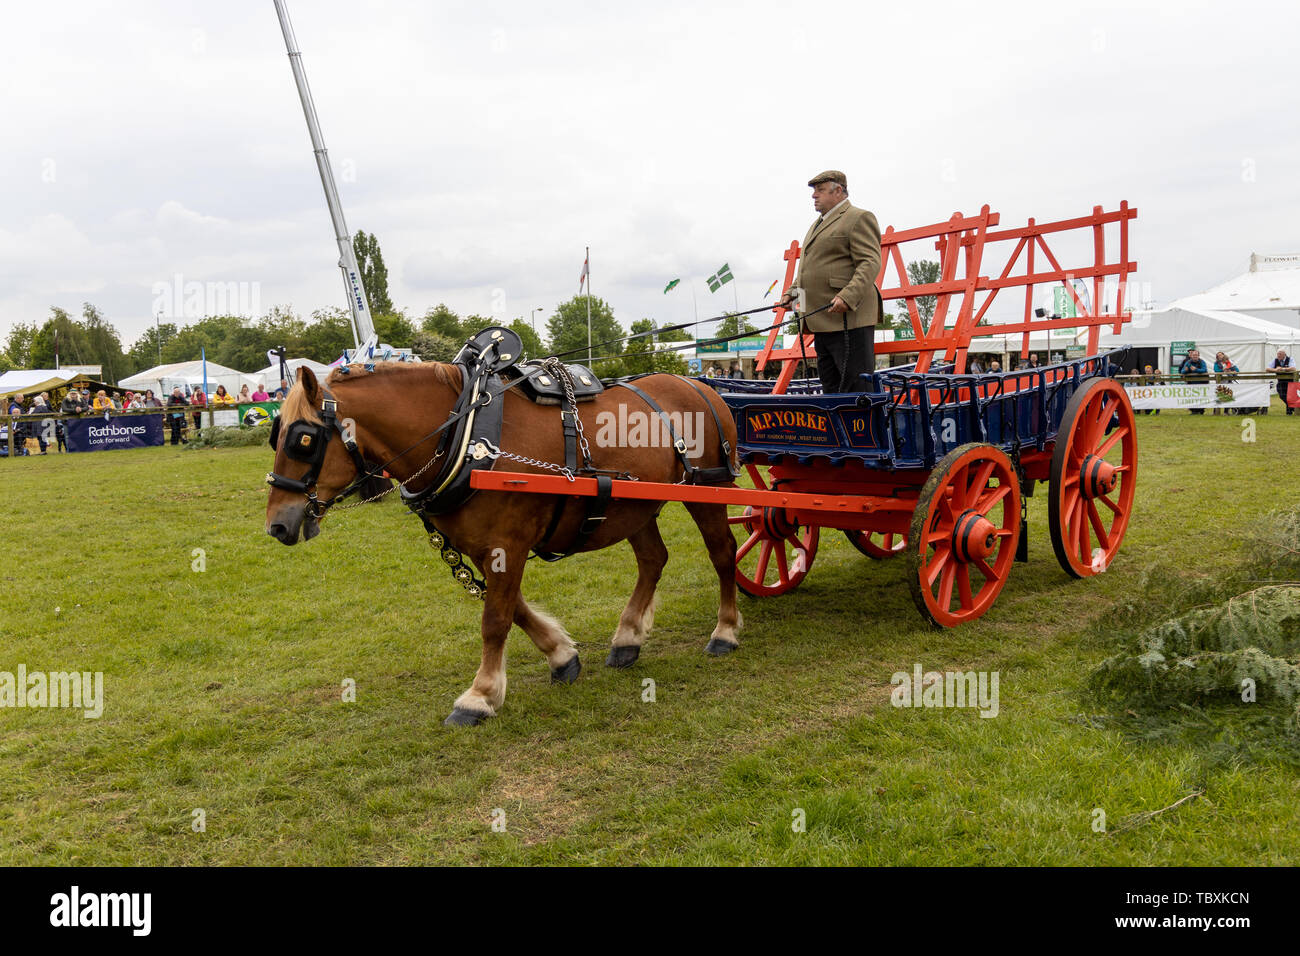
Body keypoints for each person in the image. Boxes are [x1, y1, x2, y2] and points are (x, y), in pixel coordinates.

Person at [776, 170, 882, 394]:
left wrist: (847, 296)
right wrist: (792, 292)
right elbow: (809, 268)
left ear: (839, 191)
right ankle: (838, 430)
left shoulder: (859, 217)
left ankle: (860, 430)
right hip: (820, 319)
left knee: (856, 389)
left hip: (849, 320)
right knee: (831, 389)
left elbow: (870, 262)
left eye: (820, 190)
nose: (814, 195)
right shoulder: (816, 225)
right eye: (814, 191)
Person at [1179, 348, 1209, 415]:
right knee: (1192, 397)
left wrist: (1196, 370)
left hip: (1202, 383)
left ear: (1198, 356)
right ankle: (1193, 411)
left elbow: (1204, 370)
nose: (1195, 356)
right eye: (1193, 355)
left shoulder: (1202, 362)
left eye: (1196, 355)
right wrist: (1185, 370)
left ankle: (1201, 411)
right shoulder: (1188, 362)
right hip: (1191, 383)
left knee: (1201, 397)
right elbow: (1182, 371)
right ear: (1191, 356)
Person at [1269, 349, 1294, 415]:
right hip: (1281, 381)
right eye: (1278, 354)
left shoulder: (1290, 359)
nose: (1278, 355)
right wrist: (1275, 370)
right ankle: (1293, 408)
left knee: (1289, 397)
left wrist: (1283, 369)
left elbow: (1293, 368)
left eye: (1280, 354)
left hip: (1290, 381)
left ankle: (1289, 412)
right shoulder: (1275, 360)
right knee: (1282, 395)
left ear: (1284, 354)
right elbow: (1267, 369)